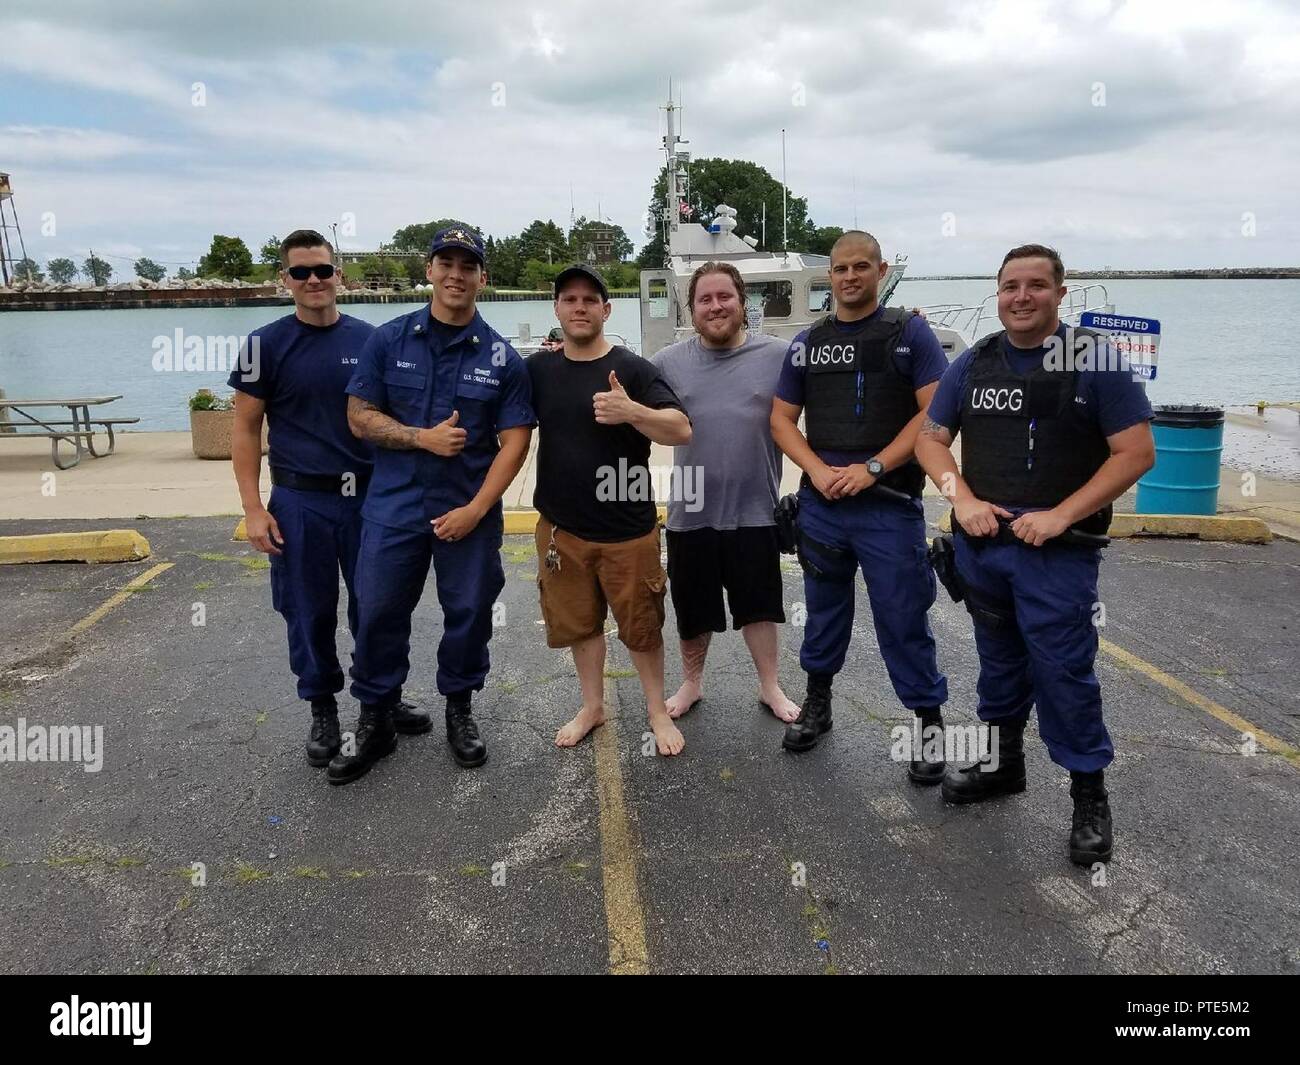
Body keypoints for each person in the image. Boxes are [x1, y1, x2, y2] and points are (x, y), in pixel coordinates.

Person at [914, 243, 1155, 865]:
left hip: (1057, 551)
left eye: (1035, 286)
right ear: (997, 295)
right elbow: (931, 441)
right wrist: (959, 496)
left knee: (1064, 673)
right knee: (998, 666)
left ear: (1060, 292)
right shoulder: (974, 362)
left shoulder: (1093, 359)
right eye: (1009, 286)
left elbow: (1134, 453)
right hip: (985, 545)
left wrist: (1060, 516)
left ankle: (1088, 798)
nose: (1021, 297)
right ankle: (1003, 767)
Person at [337, 224, 535, 784]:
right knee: (376, 611)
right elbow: (359, 416)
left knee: (470, 613)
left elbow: (516, 441)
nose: (455, 274)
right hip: (393, 508)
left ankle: (460, 709)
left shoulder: (502, 358)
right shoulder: (388, 340)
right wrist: (419, 438)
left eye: (467, 266)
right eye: (445, 263)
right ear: (429, 271)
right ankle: (376, 715)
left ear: (481, 278)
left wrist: (477, 508)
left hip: (467, 513)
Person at [228, 230, 428, 768]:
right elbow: (245, 430)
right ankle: (322, 709)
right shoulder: (262, 346)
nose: (313, 280)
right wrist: (253, 508)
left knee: (379, 608)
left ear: (339, 276)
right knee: (308, 611)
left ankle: (380, 700)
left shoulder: (373, 339)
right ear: (284, 280)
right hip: (300, 501)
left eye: (322, 269)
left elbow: (397, 416)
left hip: (371, 499)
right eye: (300, 272)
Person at [769, 230, 950, 782]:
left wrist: (873, 466)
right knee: (822, 612)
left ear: (880, 270)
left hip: (888, 502)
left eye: (861, 267)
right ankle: (818, 705)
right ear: (830, 274)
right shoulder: (808, 341)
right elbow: (781, 419)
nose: (850, 277)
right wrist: (818, 471)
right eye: (841, 268)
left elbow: (933, 415)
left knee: (902, 616)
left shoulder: (909, 333)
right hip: (824, 501)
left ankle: (928, 722)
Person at [528, 263, 693, 756]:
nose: (579, 307)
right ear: (557, 309)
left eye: (589, 300)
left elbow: (680, 429)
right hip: (562, 531)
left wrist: (633, 412)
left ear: (606, 308)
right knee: (580, 626)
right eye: (569, 299)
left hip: (628, 531)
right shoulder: (537, 371)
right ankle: (592, 706)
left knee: (641, 629)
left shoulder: (635, 369)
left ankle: (657, 711)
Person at [649, 261, 800, 724]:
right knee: (693, 611)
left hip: (756, 508)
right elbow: (629, 411)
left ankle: (769, 686)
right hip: (690, 510)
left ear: (741, 302)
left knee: (760, 608)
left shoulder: (779, 354)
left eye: (724, 297)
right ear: (691, 309)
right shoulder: (666, 363)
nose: (715, 306)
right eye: (704, 299)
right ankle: (691, 683)